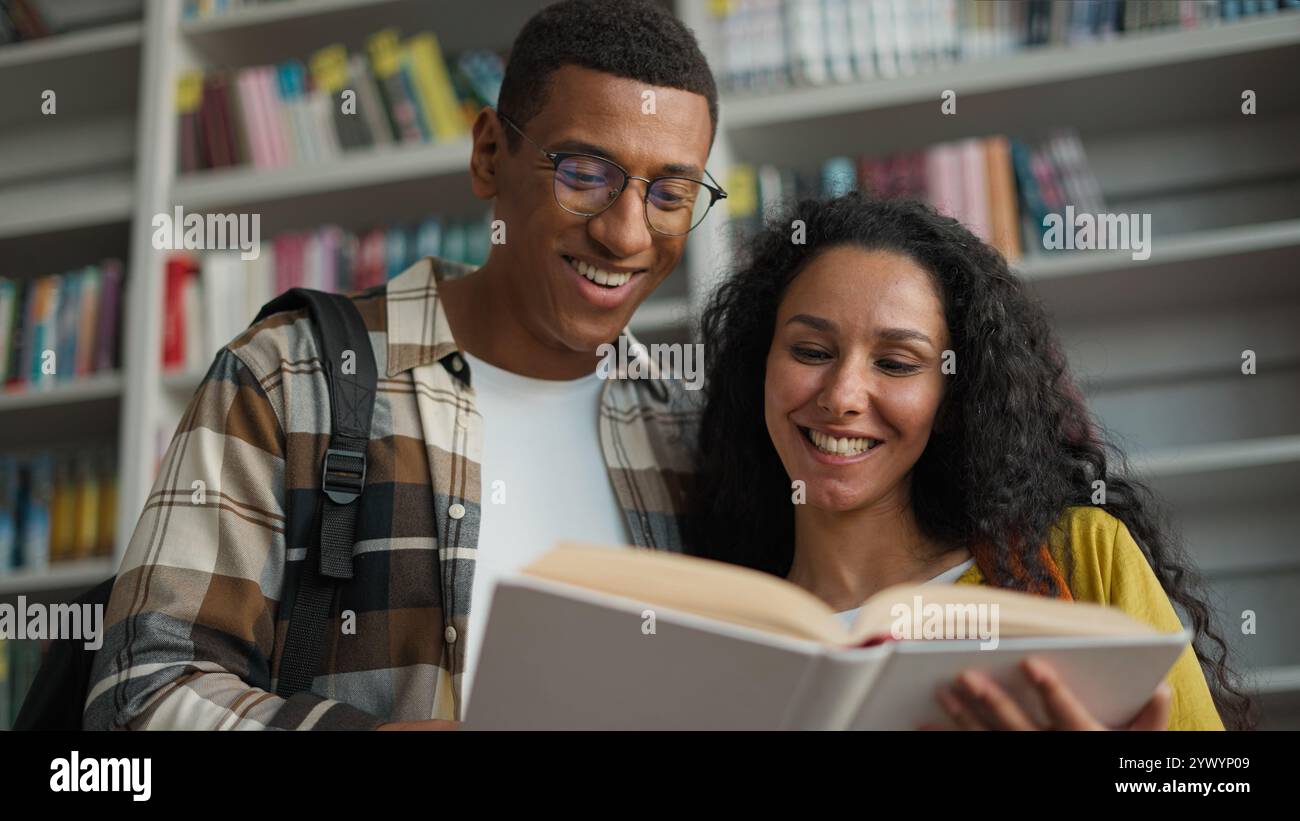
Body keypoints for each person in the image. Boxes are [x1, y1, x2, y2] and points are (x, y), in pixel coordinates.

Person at [84, 0, 721, 730]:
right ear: (489, 154)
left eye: (671, 194)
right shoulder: (286, 378)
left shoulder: (691, 430)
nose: (625, 233)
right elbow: (139, 693)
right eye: (583, 173)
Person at [687, 192, 1253, 730]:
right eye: (811, 352)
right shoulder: (716, 639)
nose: (842, 396)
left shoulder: (1078, 560)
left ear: (952, 398)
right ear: (758, 366)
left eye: (897, 363)